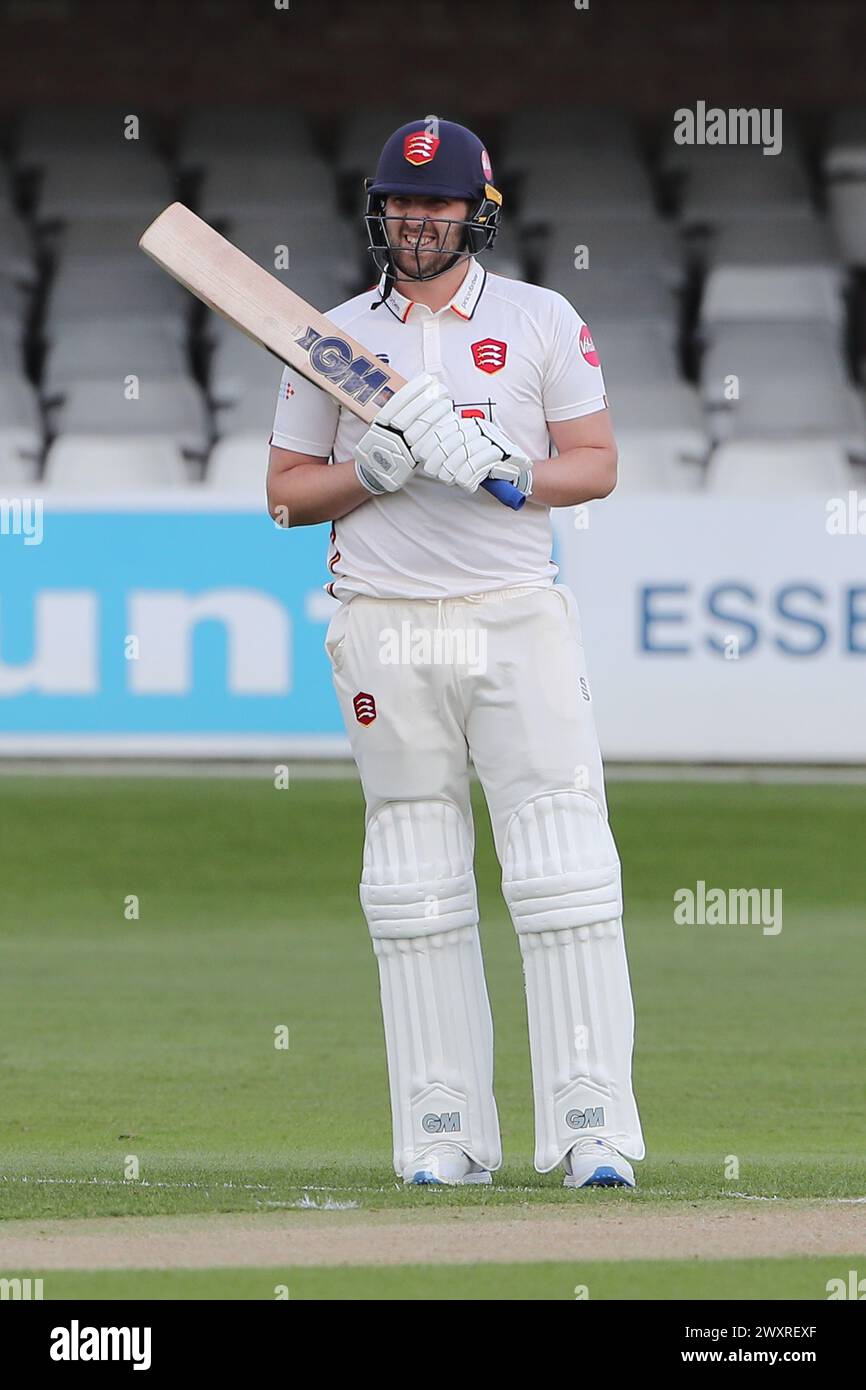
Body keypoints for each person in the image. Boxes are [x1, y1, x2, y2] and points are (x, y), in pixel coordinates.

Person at [267, 117, 644, 1188]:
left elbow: (597, 464)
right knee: (413, 872)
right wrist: (368, 472)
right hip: (382, 619)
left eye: (435, 203)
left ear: (475, 211)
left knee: (563, 863)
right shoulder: (329, 339)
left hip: (513, 612)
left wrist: (513, 472)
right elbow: (286, 497)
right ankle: (442, 1133)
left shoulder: (538, 317)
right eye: (399, 201)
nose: (416, 219)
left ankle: (589, 1126)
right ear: (376, 211)